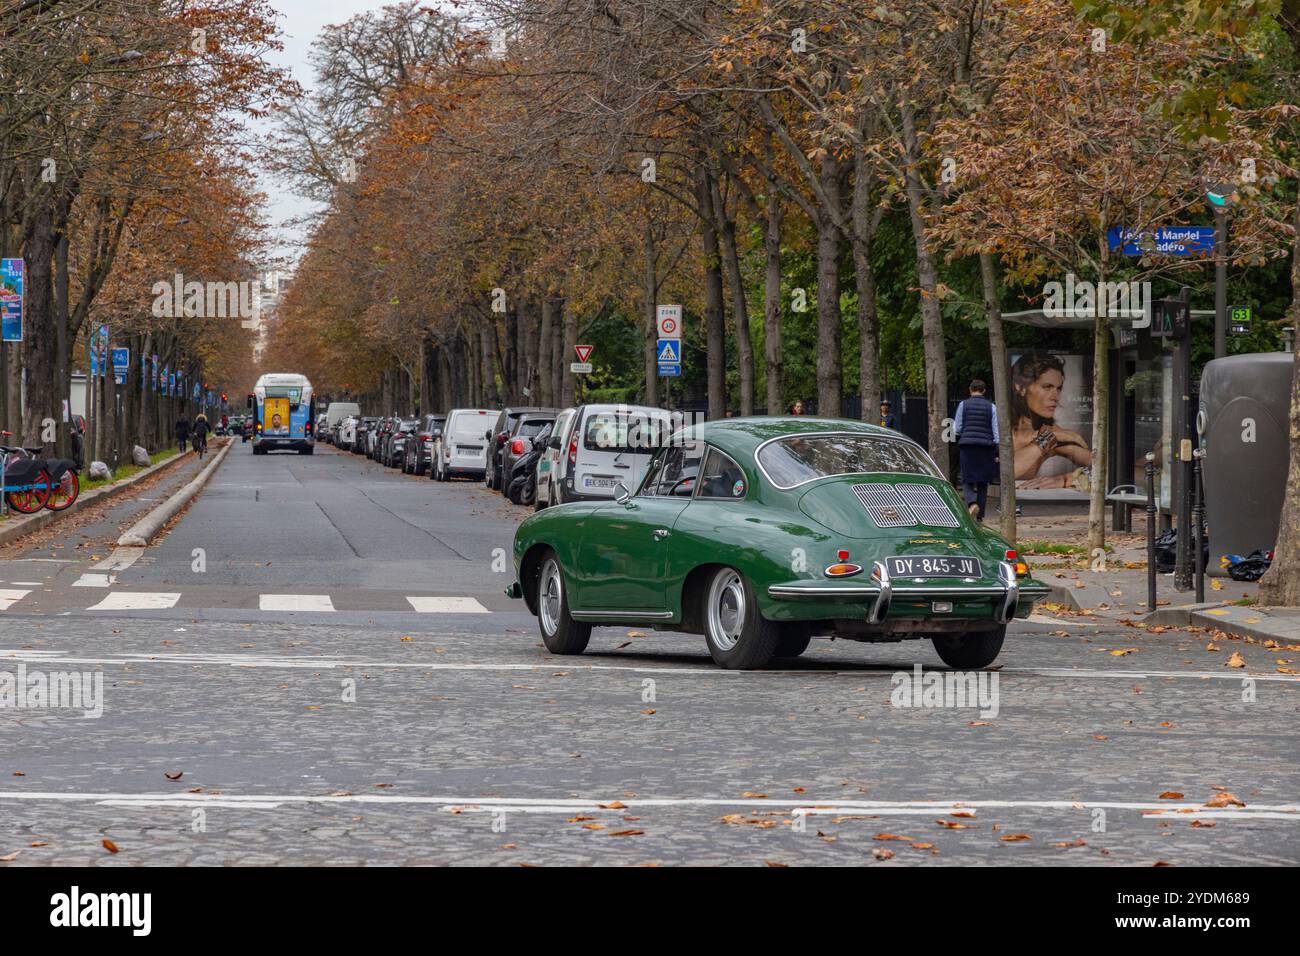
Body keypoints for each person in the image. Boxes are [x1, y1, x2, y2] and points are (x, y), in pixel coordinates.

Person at [1009, 352, 1092, 489]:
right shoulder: (999, 422)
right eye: (1047, 387)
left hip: (1032, 506)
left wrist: (1066, 479)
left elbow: (1104, 467)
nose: (1056, 397)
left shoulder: (1054, 433)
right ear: (1021, 388)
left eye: (1058, 388)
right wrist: (1045, 438)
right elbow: (1005, 472)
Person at [954, 379, 999, 521]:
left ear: (970, 390)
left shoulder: (963, 405)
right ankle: (980, 516)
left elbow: (957, 428)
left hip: (968, 446)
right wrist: (996, 448)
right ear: (984, 391)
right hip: (986, 447)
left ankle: (971, 503)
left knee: (967, 478)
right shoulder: (991, 407)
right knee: (983, 482)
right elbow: (996, 431)